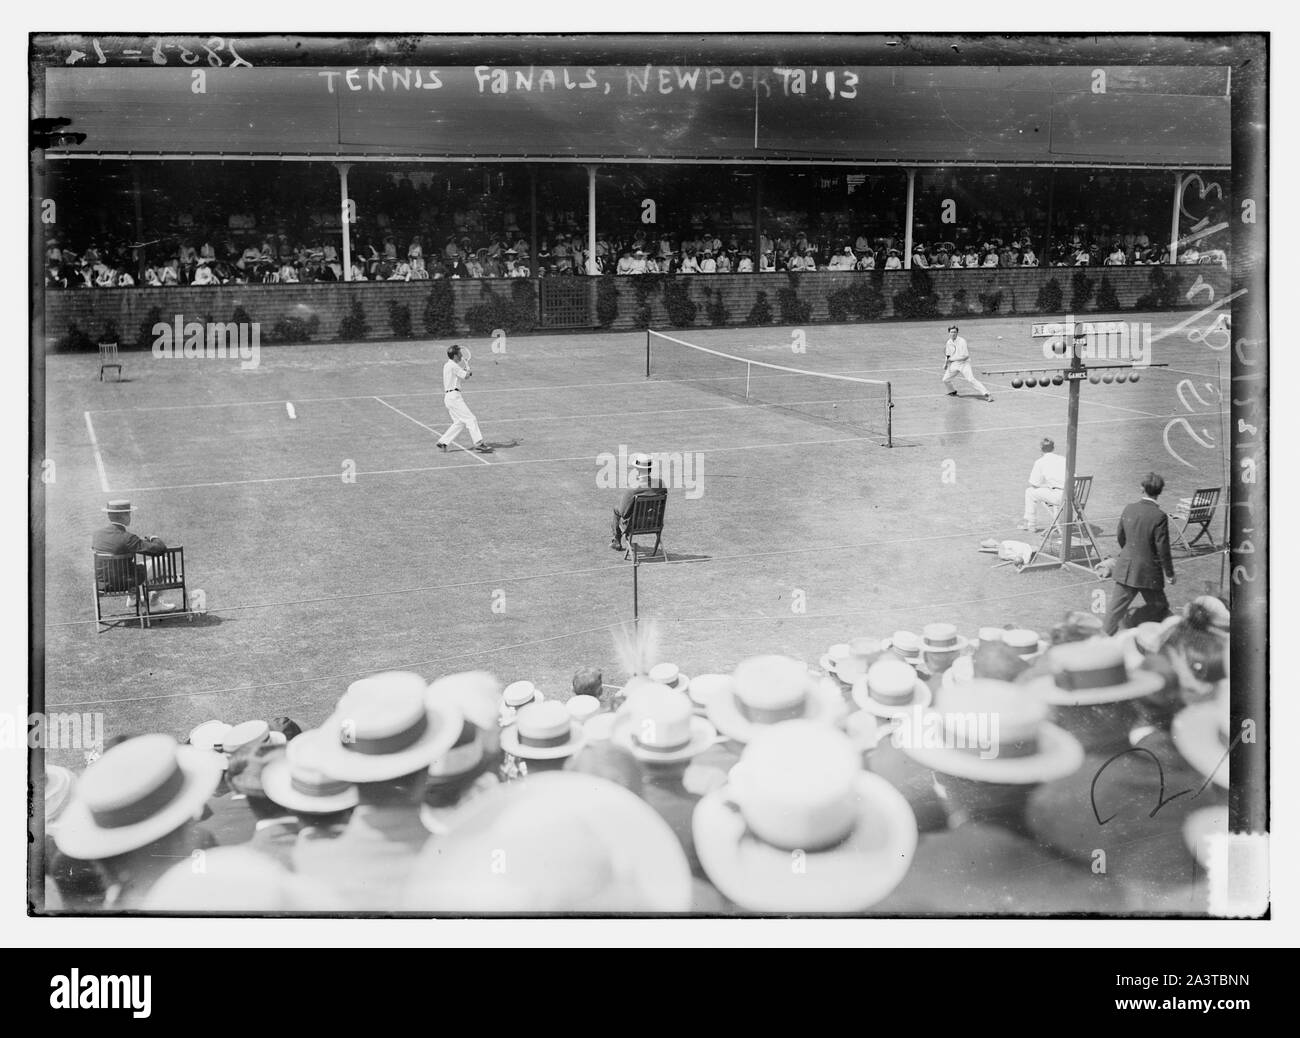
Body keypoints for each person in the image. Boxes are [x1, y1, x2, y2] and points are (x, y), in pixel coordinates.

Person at [1103, 472, 1176, 634]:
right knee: (1160, 607)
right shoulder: (1159, 516)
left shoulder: (1129, 509)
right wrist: (1170, 573)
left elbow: (1121, 537)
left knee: (1114, 611)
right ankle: (1166, 637)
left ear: (1142, 489)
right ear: (1160, 491)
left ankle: (1102, 641)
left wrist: (1130, 554)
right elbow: (1163, 548)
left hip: (1126, 569)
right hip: (1148, 573)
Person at [92, 500, 169, 609]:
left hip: (103, 583)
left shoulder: (97, 535)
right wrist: (153, 537)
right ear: (124, 516)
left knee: (125, 566)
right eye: (129, 513)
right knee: (163, 562)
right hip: (126, 582)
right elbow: (159, 549)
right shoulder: (128, 538)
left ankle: (133, 599)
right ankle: (154, 602)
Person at [434, 345, 493, 454]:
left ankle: (443, 442)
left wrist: (465, 372)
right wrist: (468, 372)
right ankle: (479, 443)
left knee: (459, 422)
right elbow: (465, 376)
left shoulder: (448, 365)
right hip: (454, 397)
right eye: (460, 353)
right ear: (455, 355)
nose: (462, 355)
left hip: (448, 398)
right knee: (471, 419)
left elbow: (459, 375)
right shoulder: (453, 366)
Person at [610, 452, 665, 551]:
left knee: (616, 510)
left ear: (638, 469)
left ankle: (617, 541)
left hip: (634, 525)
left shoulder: (633, 489)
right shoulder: (661, 484)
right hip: (655, 523)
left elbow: (624, 513)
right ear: (650, 468)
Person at [1019, 437, 1066, 531]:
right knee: (1039, 491)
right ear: (1053, 448)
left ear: (1041, 449)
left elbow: (1034, 484)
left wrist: (1046, 486)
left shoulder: (1040, 462)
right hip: (1074, 496)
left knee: (1029, 492)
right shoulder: (1064, 459)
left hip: (1059, 497)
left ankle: (1031, 525)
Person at [941, 325, 993, 402]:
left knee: (971, 379)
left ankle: (987, 394)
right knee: (945, 380)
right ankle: (952, 391)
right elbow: (948, 355)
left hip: (964, 364)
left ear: (957, 333)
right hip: (954, 364)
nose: (953, 333)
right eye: (951, 332)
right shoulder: (948, 342)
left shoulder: (962, 341)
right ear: (949, 333)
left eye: (955, 332)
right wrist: (945, 364)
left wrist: (952, 359)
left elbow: (965, 356)